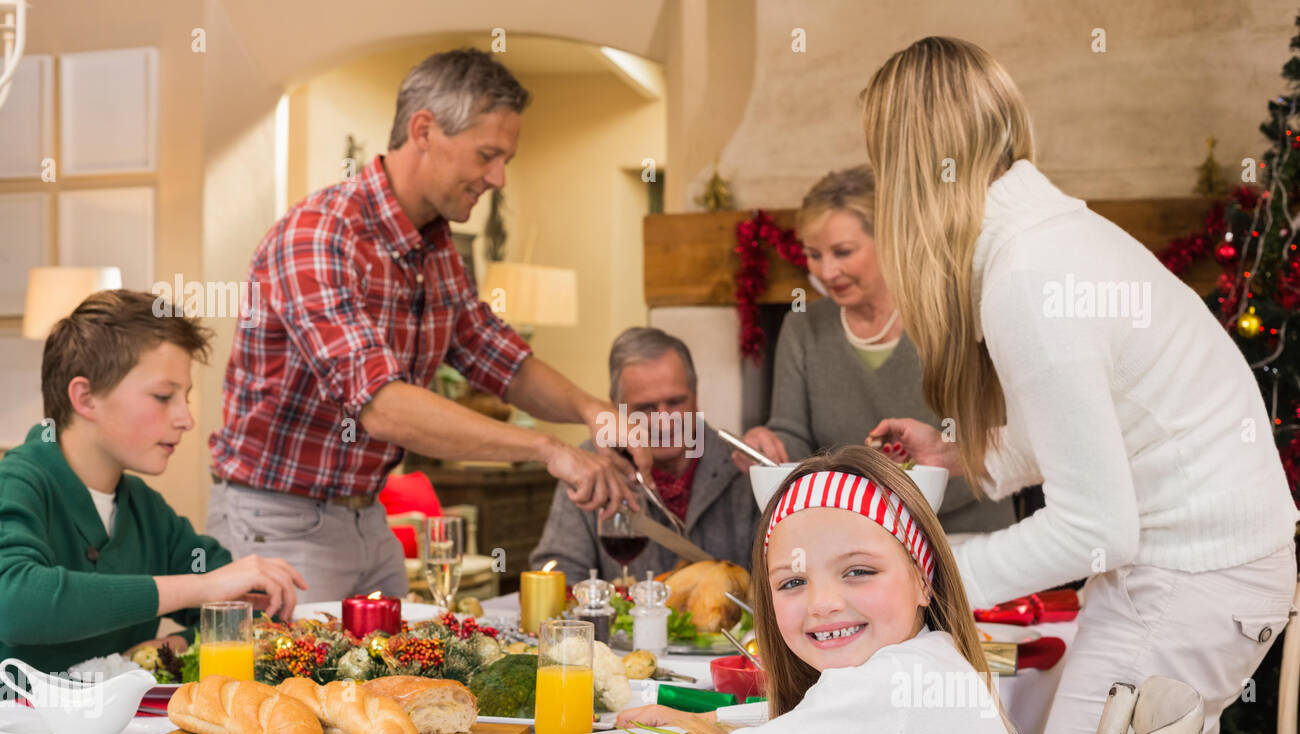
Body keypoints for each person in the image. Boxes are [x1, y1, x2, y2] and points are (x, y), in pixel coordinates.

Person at [860, 37, 1299, 734]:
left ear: (911, 162)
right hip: (1211, 569)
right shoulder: (1048, 238)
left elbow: (1095, 527)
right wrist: (953, 452)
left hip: (1186, 581)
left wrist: (929, 576)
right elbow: (1087, 430)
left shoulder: (1030, 274)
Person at [208, 48, 650, 604]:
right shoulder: (320, 237)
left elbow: (500, 358)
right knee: (296, 691)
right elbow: (383, 406)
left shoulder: (436, 247)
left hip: (369, 519)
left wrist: (593, 410)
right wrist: (547, 449)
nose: (499, 177)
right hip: (277, 526)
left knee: (413, 686)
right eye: (487, 155)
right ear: (424, 130)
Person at [669, 445, 1037, 734]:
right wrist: (712, 720)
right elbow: (826, 726)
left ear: (924, 579)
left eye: (858, 571)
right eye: (793, 582)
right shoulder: (932, 663)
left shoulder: (884, 689)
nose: (823, 603)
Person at [0, 291, 306, 675]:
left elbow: (255, 607)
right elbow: (14, 603)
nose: (186, 419)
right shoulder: (16, 482)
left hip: (123, 733)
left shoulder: (146, 510)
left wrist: (180, 644)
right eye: (163, 396)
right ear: (86, 397)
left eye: (186, 397)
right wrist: (199, 589)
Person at [733, 166, 1014, 535]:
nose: (827, 271)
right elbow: (793, 435)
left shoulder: (955, 316)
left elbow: (1000, 432)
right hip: (857, 533)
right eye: (814, 254)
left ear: (890, 238)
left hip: (966, 534)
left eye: (843, 252)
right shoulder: (803, 326)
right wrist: (768, 446)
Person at [530, 328, 758, 581]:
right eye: (646, 408)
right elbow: (556, 571)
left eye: (675, 402)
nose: (664, 422)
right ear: (616, 407)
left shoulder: (742, 464)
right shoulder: (588, 467)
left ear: (695, 398)